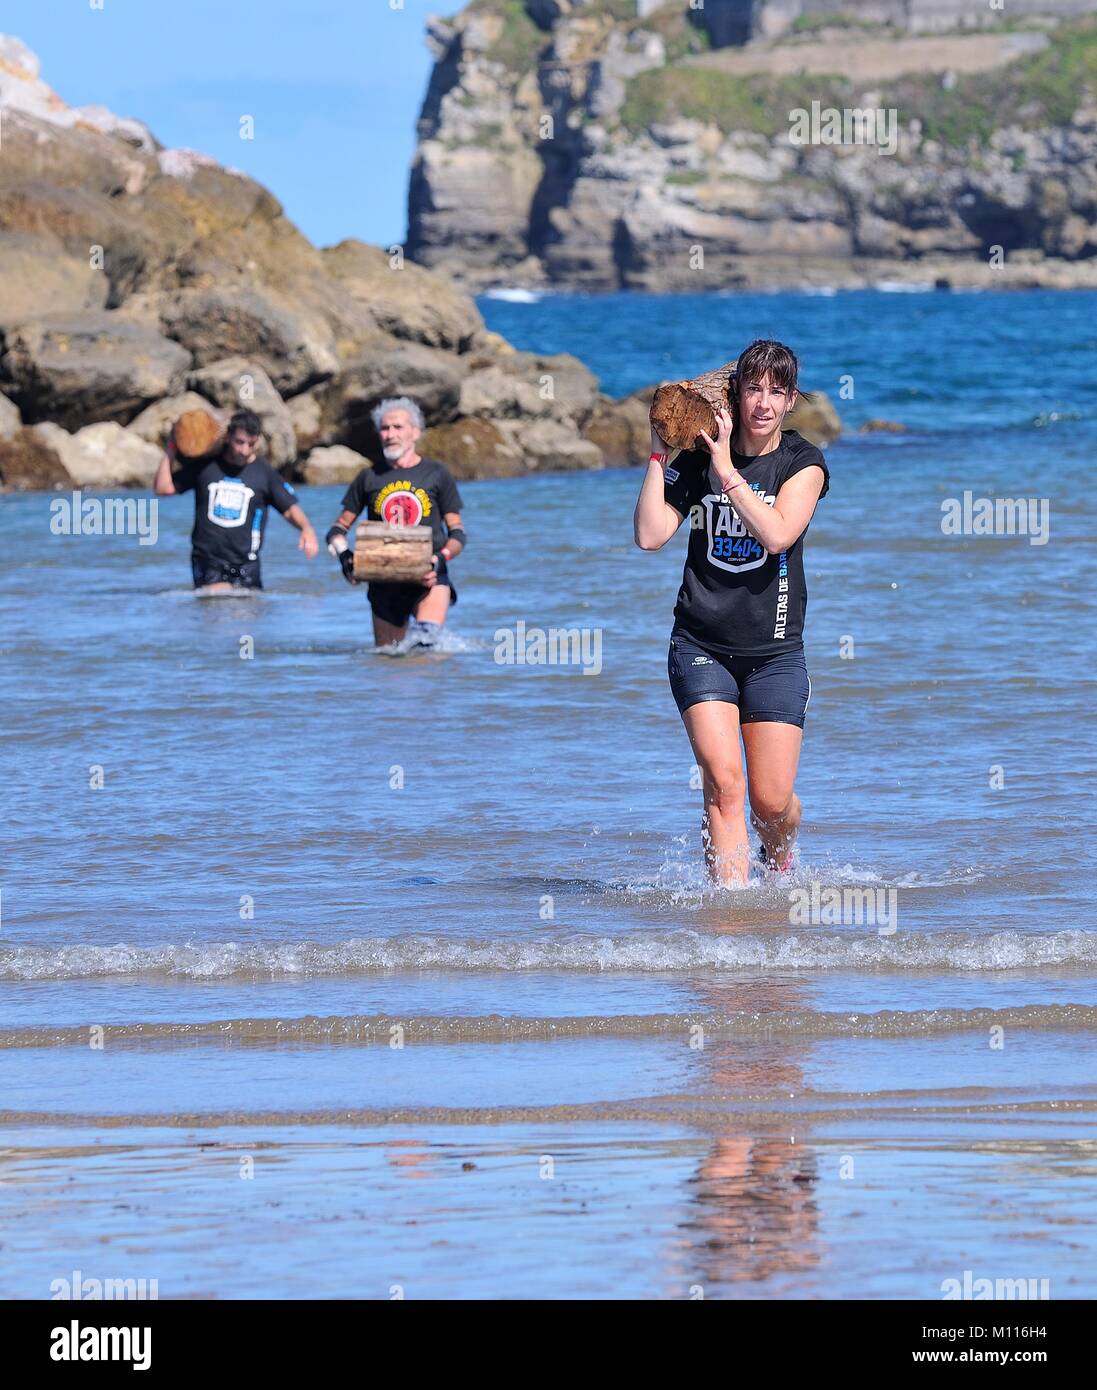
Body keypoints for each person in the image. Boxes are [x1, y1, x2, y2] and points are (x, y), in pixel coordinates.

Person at [633, 340, 830, 886]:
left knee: (770, 803)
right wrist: (658, 454)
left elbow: (776, 534)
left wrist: (726, 470)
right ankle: (732, 920)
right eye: (753, 388)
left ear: (792, 400)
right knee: (724, 784)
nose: (763, 402)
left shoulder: (803, 462)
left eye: (777, 391)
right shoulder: (697, 459)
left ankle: (781, 851)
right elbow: (650, 536)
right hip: (701, 645)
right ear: (735, 394)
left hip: (775, 654)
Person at [325, 397, 467, 647]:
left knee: (426, 647)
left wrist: (441, 558)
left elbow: (458, 535)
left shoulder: (436, 474)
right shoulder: (368, 477)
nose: (390, 434)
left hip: (429, 577)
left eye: (398, 427)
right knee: (390, 660)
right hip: (384, 583)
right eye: (385, 428)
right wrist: (345, 557)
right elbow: (336, 531)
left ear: (415, 432)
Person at [154, 409, 318, 591]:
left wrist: (306, 528)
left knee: (249, 611)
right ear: (228, 437)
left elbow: (288, 508)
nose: (244, 450)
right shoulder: (206, 467)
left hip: (247, 562)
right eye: (239, 442)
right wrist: (171, 448)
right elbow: (163, 488)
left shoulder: (265, 473)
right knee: (217, 605)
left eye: (251, 444)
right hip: (208, 559)